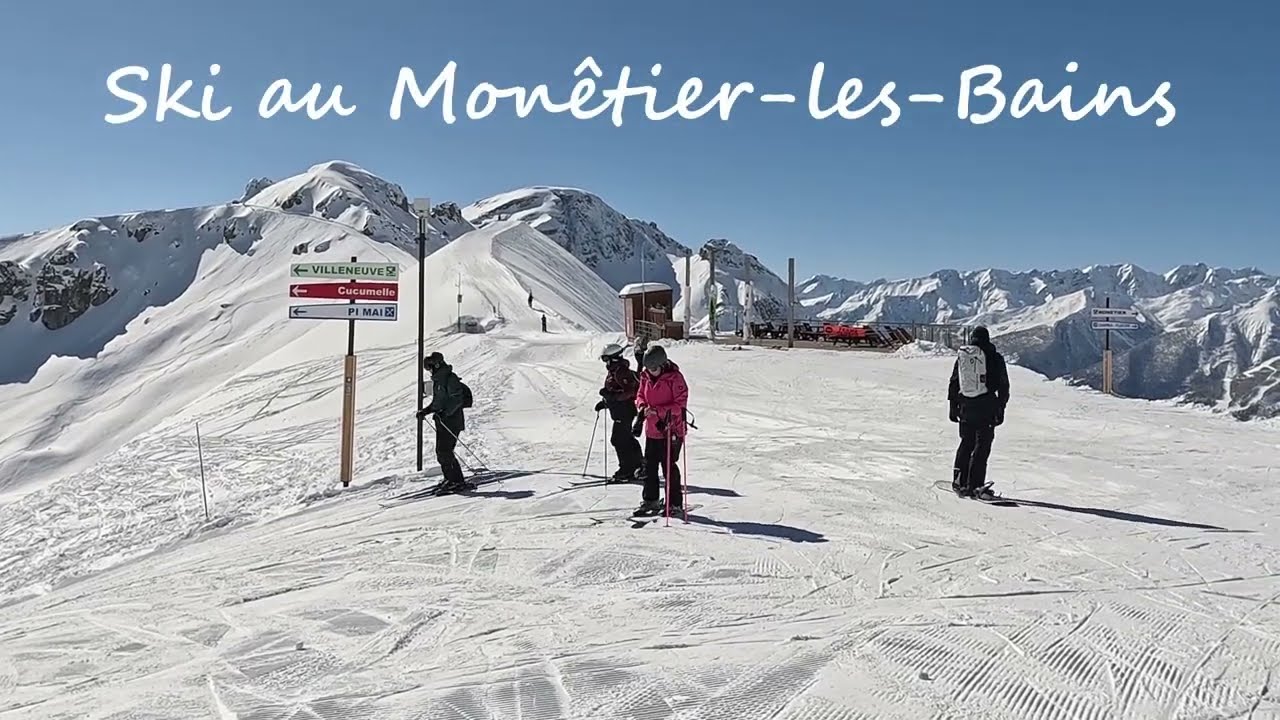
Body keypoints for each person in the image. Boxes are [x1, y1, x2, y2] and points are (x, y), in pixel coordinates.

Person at [948, 326, 1009, 499]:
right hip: (986, 406)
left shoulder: (963, 357)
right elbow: (1003, 385)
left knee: (966, 443)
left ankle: (959, 481)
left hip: (965, 406)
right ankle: (975, 485)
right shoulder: (994, 357)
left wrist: (953, 407)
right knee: (981, 447)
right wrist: (1001, 408)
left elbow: (954, 382)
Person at [633, 344, 689, 516]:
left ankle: (674, 503)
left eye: (655, 368)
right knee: (649, 466)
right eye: (649, 368)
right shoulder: (645, 377)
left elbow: (680, 404)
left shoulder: (675, 378)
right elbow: (640, 395)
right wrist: (642, 407)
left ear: (662, 364)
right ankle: (651, 500)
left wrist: (659, 410)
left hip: (670, 429)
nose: (652, 372)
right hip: (652, 429)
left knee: (669, 467)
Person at [416, 351, 471, 492]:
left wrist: (446, 414)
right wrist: (426, 411)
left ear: (437, 364)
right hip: (442, 421)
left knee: (445, 451)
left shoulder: (450, 379)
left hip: (452, 421)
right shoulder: (438, 381)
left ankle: (457, 481)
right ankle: (450, 478)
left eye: (430, 367)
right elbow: (437, 402)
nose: (429, 370)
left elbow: (456, 399)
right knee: (441, 452)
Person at [593, 343, 645, 482]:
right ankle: (639, 464)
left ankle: (627, 469)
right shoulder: (615, 371)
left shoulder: (621, 371)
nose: (605, 363)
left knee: (618, 439)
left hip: (625, 411)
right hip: (620, 411)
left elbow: (631, 391)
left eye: (606, 359)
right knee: (626, 438)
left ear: (613, 358)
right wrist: (605, 403)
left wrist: (612, 397)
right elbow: (616, 390)